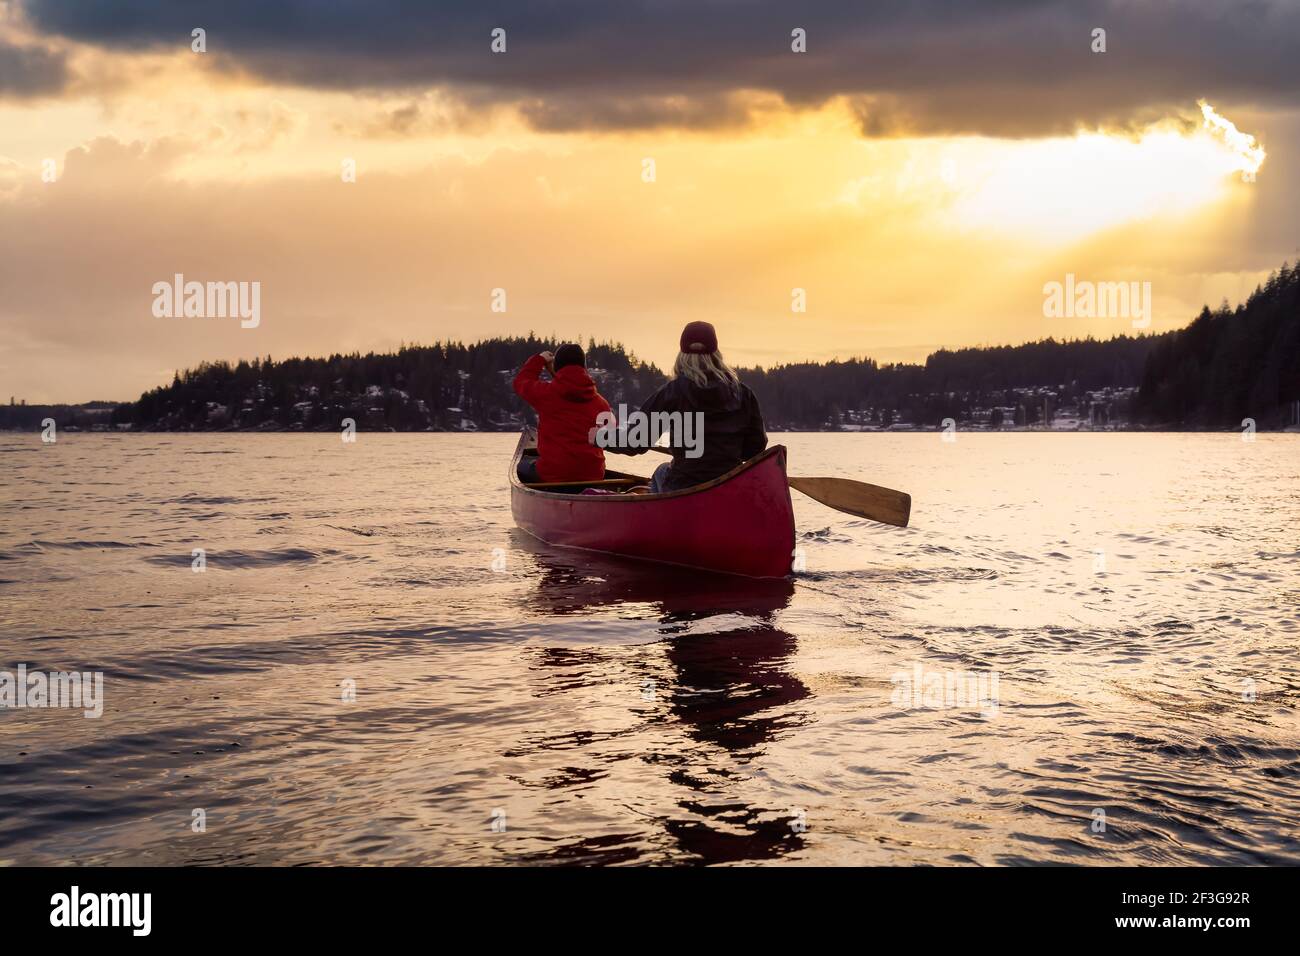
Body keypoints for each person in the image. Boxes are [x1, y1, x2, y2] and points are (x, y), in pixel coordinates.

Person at [607, 321, 767, 493]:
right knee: (664, 470)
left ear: (682, 355)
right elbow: (755, 449)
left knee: (661, 471)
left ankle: (654, 511)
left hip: (683, 486)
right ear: (716, 353)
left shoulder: (673, 392)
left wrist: (601, 437)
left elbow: (635, 442)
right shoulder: (743, 394)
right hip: (728, 485)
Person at [512, 344, 611, 484]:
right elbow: (610, 434)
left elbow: (521, 382)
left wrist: (539, 360)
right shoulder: (601, 403)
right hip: (593, 475)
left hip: (552, 475)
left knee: (522, 466)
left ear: (557, 366)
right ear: (584, 367)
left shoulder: (546, 394)